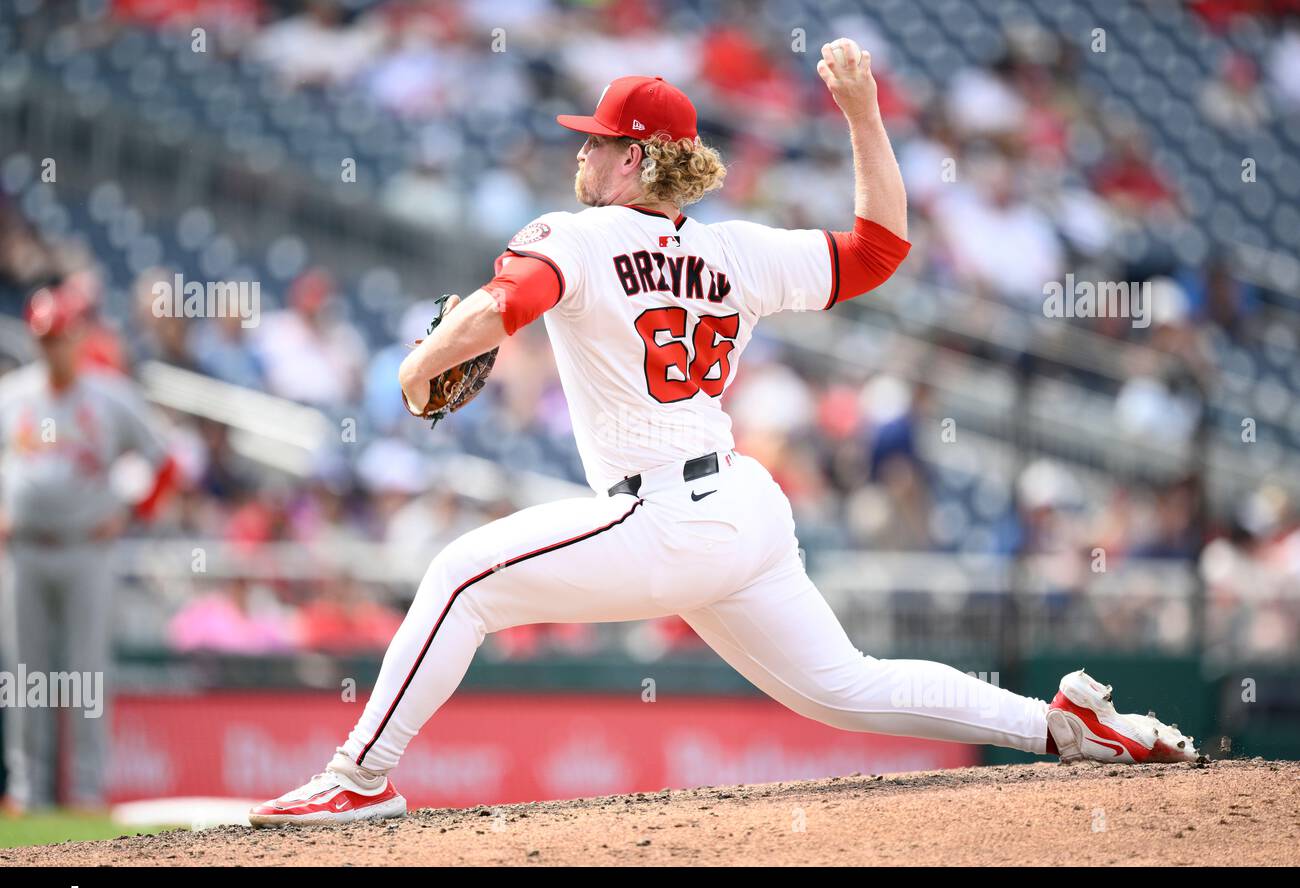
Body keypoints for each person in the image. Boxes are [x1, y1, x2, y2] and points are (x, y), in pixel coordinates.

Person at [250, 39, 1197, 827]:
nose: (580, 157)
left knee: (461, 576)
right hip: (741, 506)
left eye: (596, 144)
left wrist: (413, 370)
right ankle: (1063, 725)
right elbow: (880, 250)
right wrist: (865, 115)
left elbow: (506, 305)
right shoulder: (736, 250)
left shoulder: (574, 234)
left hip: (662, 513)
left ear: (635, 159)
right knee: (844, 687)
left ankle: (356, 780)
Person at [0, 285, 177, 812]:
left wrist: (127, 513)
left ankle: (86, 790)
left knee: (87, 673)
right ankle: (27, 790)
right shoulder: (12, 394)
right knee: (23, 676)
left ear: (78, 335)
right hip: (24, 551)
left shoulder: (110, 395)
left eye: (61, 335)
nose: (53, 346)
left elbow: (163, 463)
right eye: (45, 337)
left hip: (87, 550)